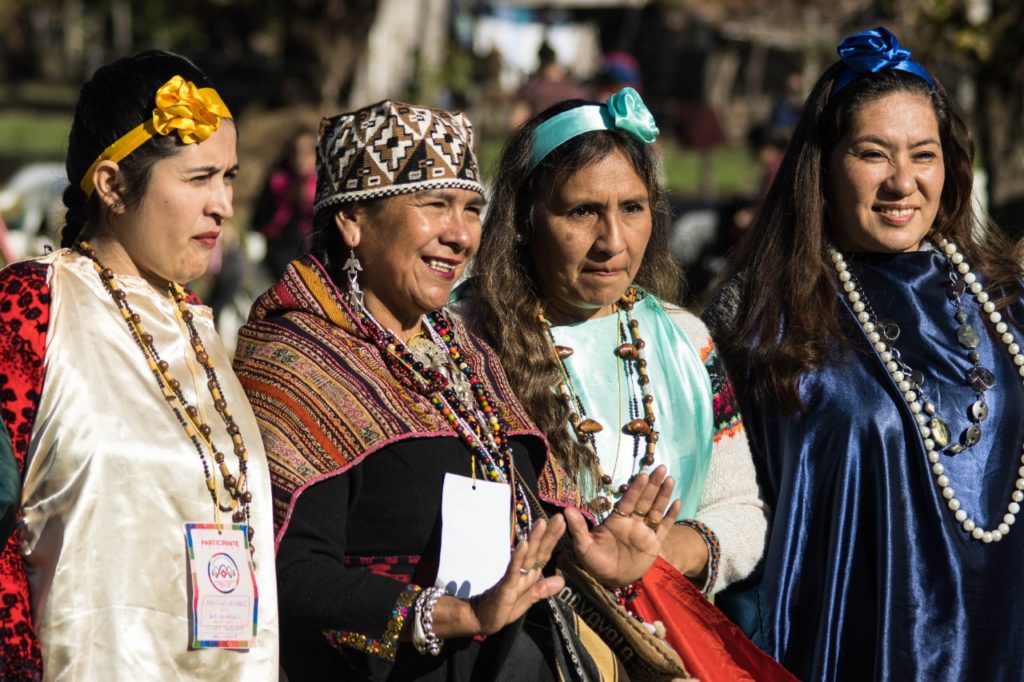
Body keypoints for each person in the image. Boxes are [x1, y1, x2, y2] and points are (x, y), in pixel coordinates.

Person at [232, 98, 680, 680]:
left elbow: (518, 534)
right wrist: (449, 615)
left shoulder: (461, 353)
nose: (461, 235)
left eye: (471, 208)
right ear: (353, 222)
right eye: (435, 204)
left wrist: (589, 555)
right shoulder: (297, 361)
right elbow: (286, 570)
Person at [702, 27, 1024, 681]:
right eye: (874, 154)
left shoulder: (1007, 301)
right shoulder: (762, 321)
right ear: (823, 165)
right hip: (849, 649)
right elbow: (732, 511)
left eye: (924, 155)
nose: (903, 181)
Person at [455, 88, 794, 681]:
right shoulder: (467, 341)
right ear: (524, 220)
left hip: (666, 648)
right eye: (583, 212)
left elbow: (741, 509)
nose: (613, 241)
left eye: (632, 209)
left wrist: (657, 553)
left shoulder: (686, 343)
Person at [0, 50, 279, 679]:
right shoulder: (32, 308)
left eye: (229, 177)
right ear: (112, 184)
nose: (224, 205)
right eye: (199, 178)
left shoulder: (201, 328)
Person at [249, 125, 317, 279]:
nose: (301, 159)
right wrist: (286, 200)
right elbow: (259, 221)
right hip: (280, 253)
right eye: (296, 152)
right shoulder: (277, 182)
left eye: (307, 153)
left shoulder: (326, 185)